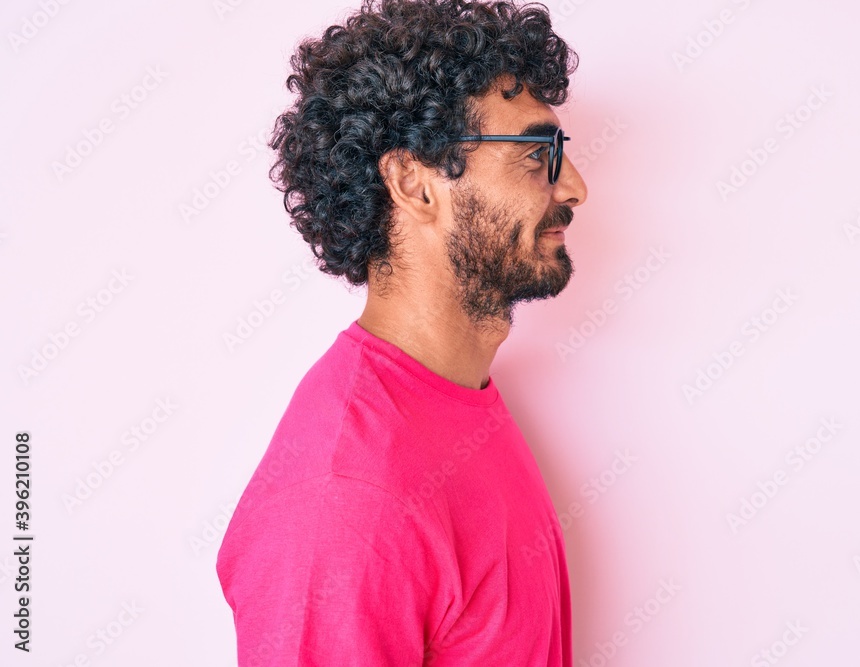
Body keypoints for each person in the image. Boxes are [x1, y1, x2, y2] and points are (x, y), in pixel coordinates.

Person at [215, 0, 588, 664]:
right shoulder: (343, 498)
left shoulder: (460, 395)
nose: (576, 186)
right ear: (414, 183)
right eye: (537, 154)